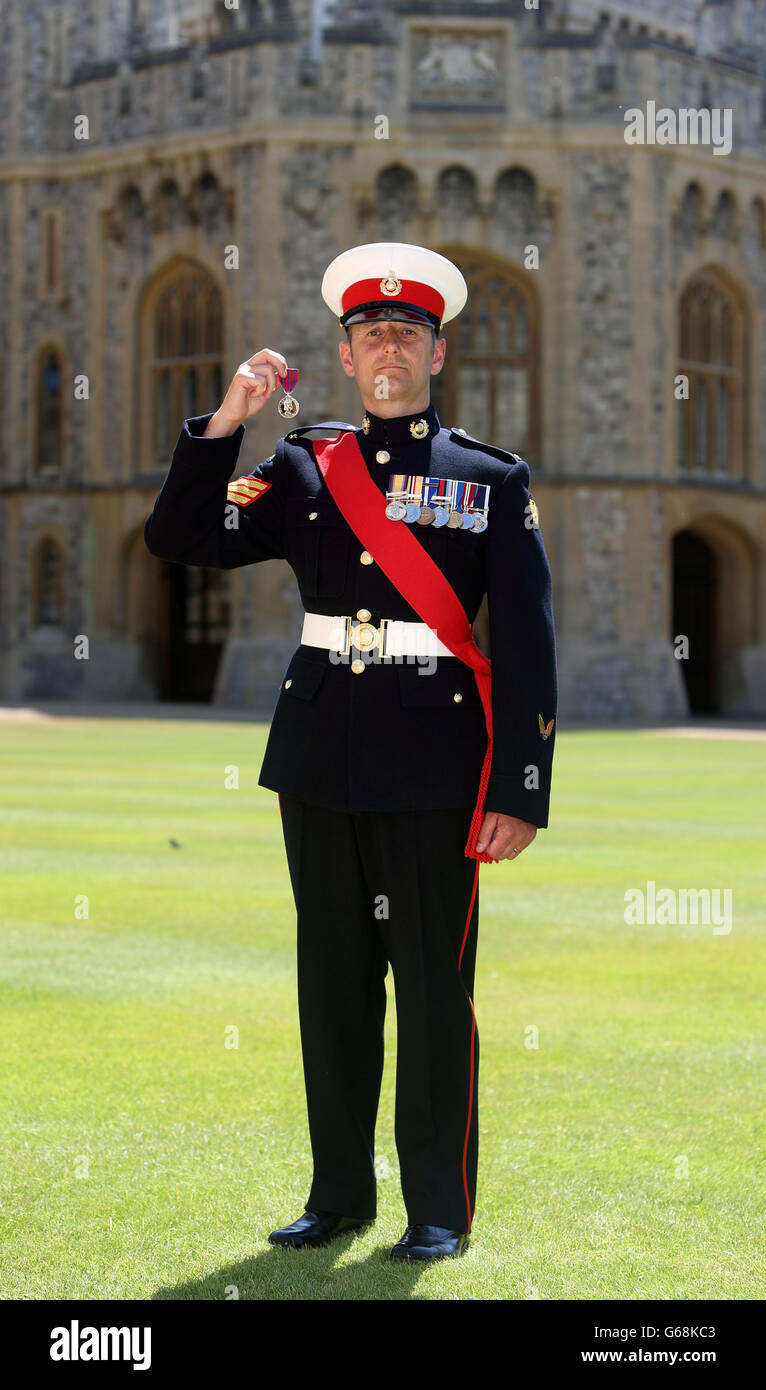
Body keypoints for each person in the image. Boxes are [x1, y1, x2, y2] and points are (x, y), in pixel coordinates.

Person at [144, 242, 557, 1263]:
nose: (388, 347)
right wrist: (227, 425)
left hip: (436, 766)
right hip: (320, 757)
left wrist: (521, 789)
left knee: (429, 990)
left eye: (406, 334)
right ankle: (338, 1197)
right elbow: (179, 537)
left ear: (436, 352)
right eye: (371, 333)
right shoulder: (301, 466)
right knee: (329, 984)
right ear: (344, 353)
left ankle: (438, 1209)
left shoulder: (491, 481)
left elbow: (532, 644)